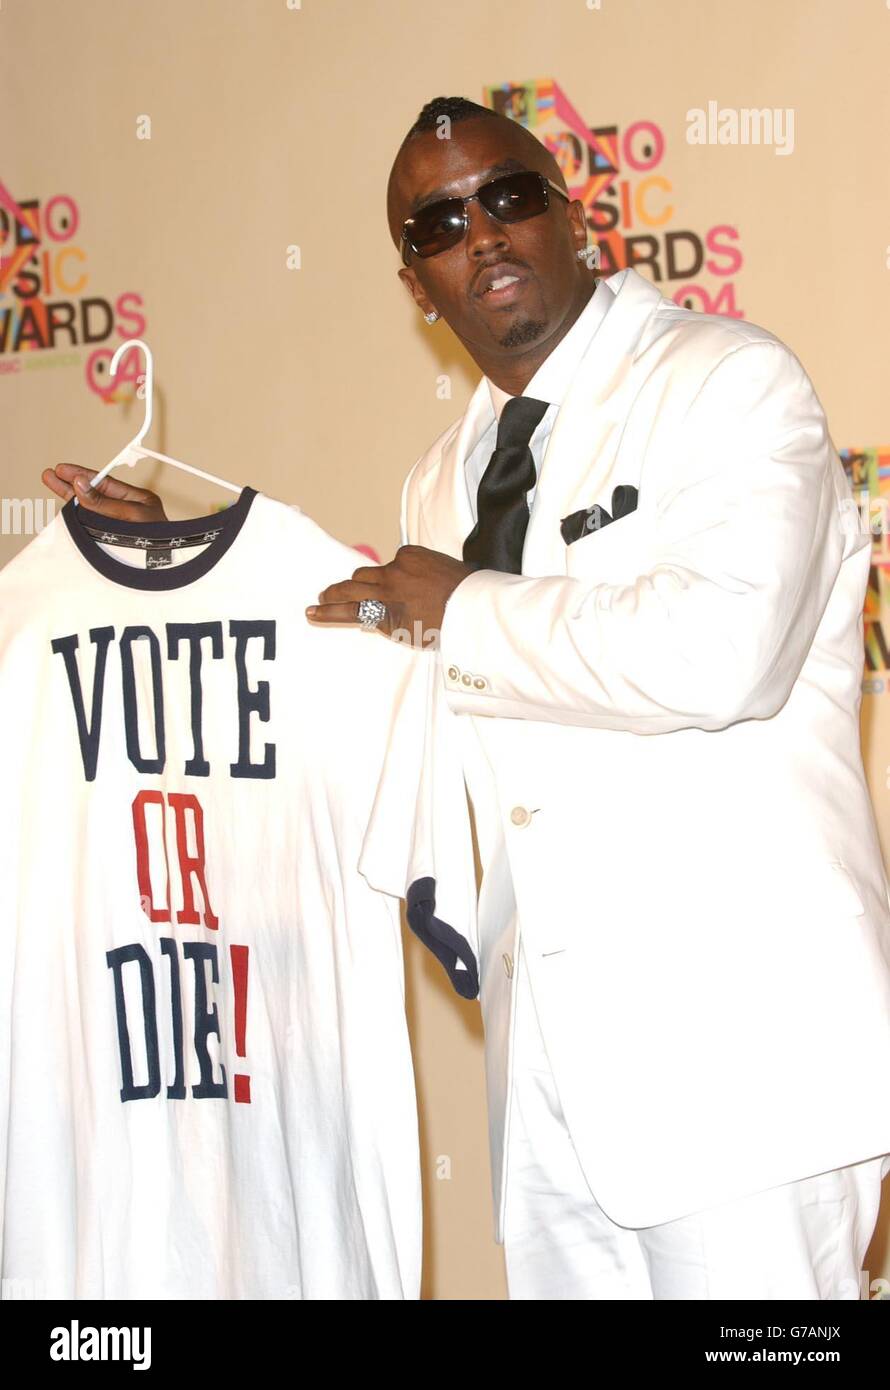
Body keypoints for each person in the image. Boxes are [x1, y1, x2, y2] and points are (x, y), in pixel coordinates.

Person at [43, 94, 890, 1301]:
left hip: (743, 1072)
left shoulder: (727, 383)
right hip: (544, 1096)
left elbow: (720, 650)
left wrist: (461, 606)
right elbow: (388, 694)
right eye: (435, 223)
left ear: (570, 214)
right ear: (416, 286)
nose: (478, 234)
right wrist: (180, 570)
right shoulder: (441, 477)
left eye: (505, 195)